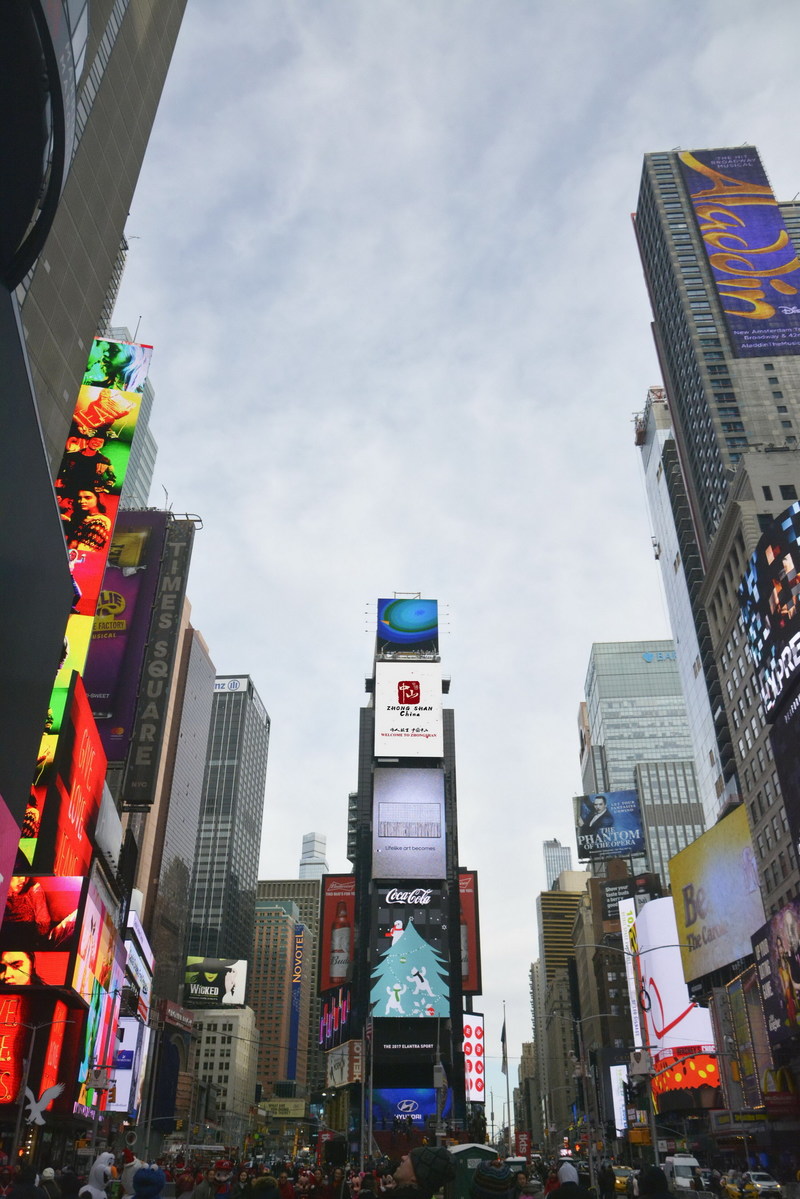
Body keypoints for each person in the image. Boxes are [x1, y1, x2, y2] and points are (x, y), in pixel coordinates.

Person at [65, 489, 112, 553]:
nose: (81, 501)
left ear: (98, 499)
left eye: (88, 498)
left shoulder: (100, 521)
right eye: (79, 498)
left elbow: (84, 550)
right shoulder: (80, 517)